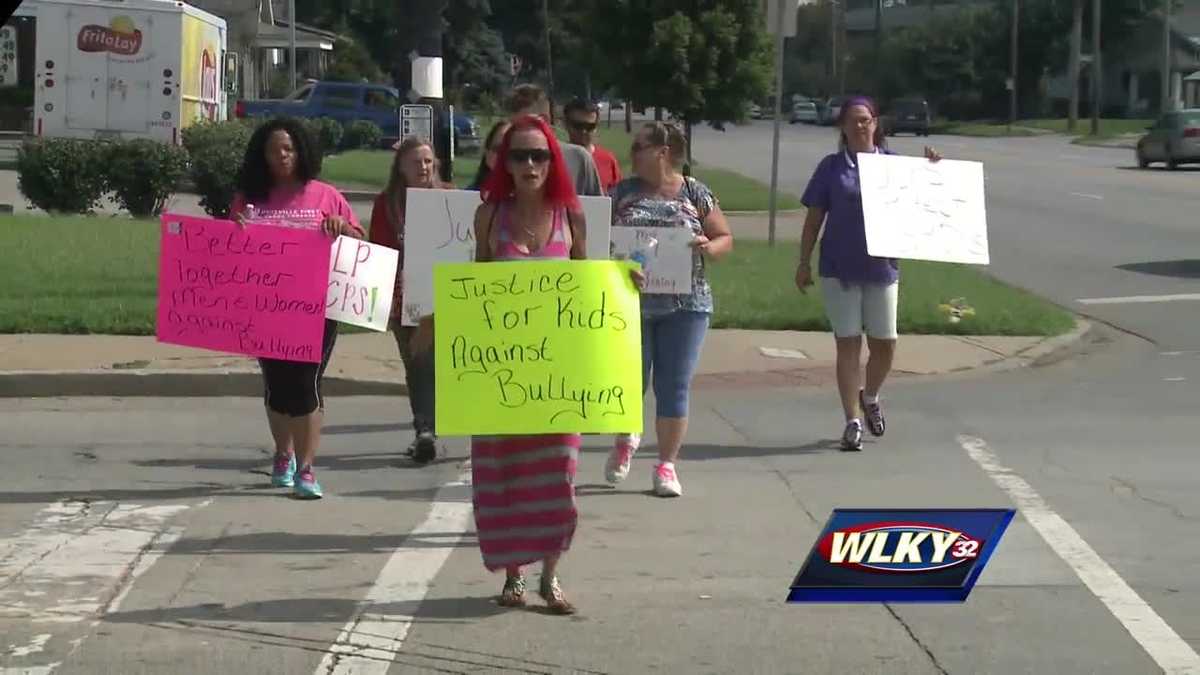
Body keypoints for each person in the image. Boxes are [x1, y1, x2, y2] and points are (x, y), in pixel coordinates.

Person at [415, 115, 586, 614]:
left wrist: (628, 282)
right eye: (519, 155)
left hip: (557, 373)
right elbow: (478, 289)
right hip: (500, 372)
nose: (530, 164)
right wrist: (436, 317)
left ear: (553, 161)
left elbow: (590, 282)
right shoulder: (491, 217)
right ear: (503, 162)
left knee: (559, 473)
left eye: (539, 155)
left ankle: (550, 578)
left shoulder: (570, 217)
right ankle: (514, 576)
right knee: (505, 474)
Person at [794, 96, 941, 452]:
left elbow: (924, 202)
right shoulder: (831, 168)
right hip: (838, 269)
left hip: (881, 268)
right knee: (848, 344)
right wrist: (803, 261)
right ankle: (852, 421)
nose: (860, 126)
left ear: (876, 124)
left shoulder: (893, 165)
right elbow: (814, 219)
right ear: (842, 126)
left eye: (866, 119)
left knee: (886, 343)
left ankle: (870, 395)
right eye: (853, 120)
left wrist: (932, 170)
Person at [230, 117, 364, 499]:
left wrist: (342, 226)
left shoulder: (325, 194)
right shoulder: (250, 198)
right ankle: (282, 453)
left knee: (307, 383)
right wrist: (235, 228)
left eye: (288, 148)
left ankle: (307, 468)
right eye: (274, 149)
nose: (282, 156)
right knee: (278, 385)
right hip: (266, 305)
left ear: (301, 151)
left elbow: (359, 241)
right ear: (262, 155)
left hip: (319, 305)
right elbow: (229, 247)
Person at [604, 122, 733, 498]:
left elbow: (725, 236)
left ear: (662, 151)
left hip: (687, 305)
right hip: (630, 304)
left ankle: (666, 465)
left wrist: (710, 246)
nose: (632, 154)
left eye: (638, 147)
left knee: (673, 387)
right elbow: (597, 241)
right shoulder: (622, 193)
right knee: (630, 383)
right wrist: (618, 266)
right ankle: (626, 439)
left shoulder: (695, 191)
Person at [368, 137, 449, 465]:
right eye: (416, 162)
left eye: (428, 161)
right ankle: (425, 430)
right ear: (401, 167)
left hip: (447, 294)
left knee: (444, 366)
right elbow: (380, 252)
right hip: (405, 296)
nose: (424, 167)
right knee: (417, 364)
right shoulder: (387, 204)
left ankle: (442, 421)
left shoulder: (448, 199)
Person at [505, 84, 603, 197]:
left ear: (545, 119)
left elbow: (597, 209)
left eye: (525, 124)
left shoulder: (578, 158)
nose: (517, 132)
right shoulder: (505, 157)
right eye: (513, 126)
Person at [564, 98, 621, 193]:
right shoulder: (555, 158)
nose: (583, 132)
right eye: (578, 126)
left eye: (589, 127)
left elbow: (616, 198)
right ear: (566, 124)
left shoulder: (608, 160)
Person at [467, 120, 512, 191]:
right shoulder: (468, 195)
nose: (503, 156)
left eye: (509, 151)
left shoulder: (532, 199)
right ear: (487, 153)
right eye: (498, 149)